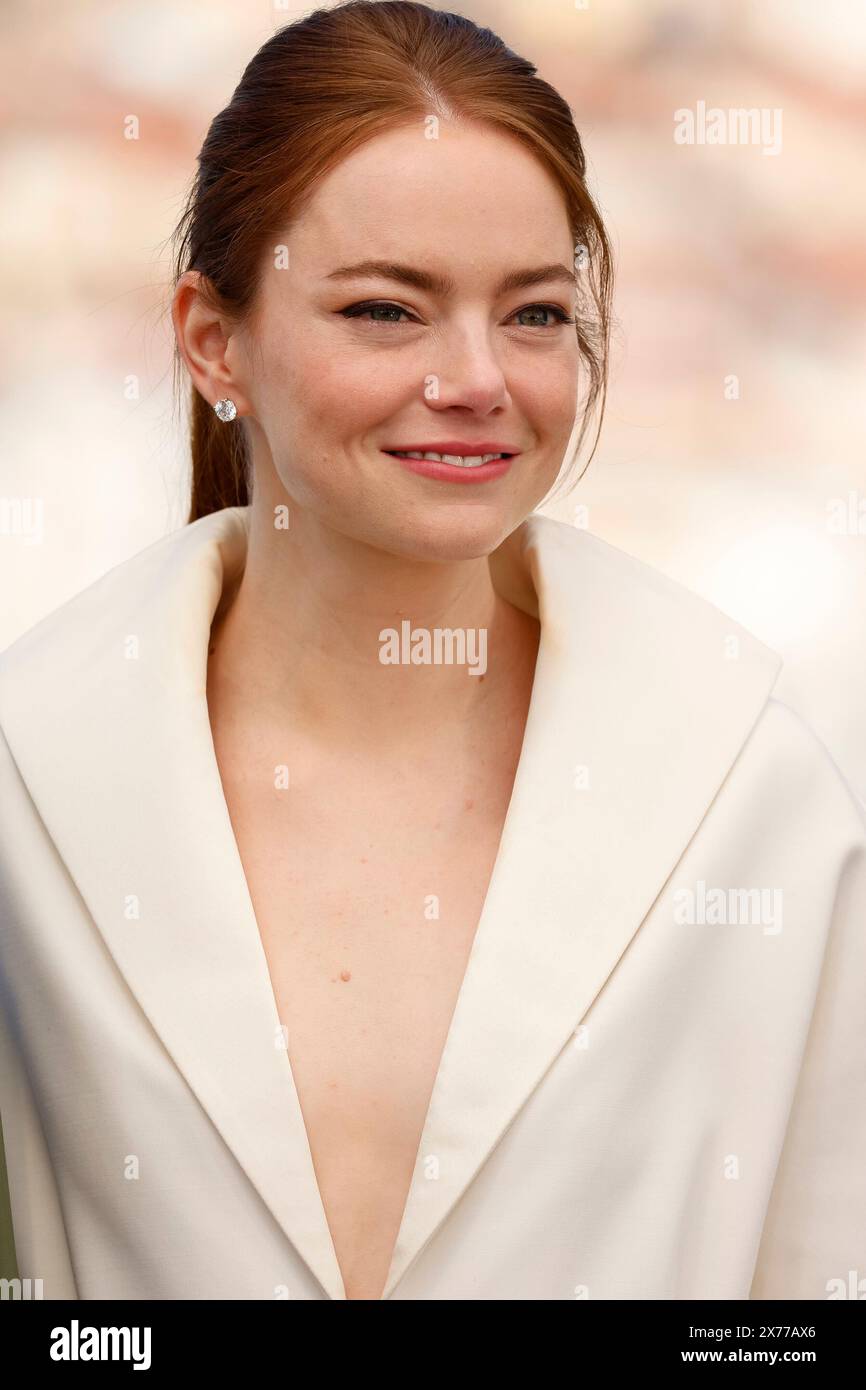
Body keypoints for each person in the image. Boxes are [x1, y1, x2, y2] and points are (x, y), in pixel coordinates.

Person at [1, 0, 864, 1302]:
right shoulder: (31, 772)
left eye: (531, 314)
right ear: (209, 338)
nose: (475, 378)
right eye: (386, 311)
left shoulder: (755, 785)